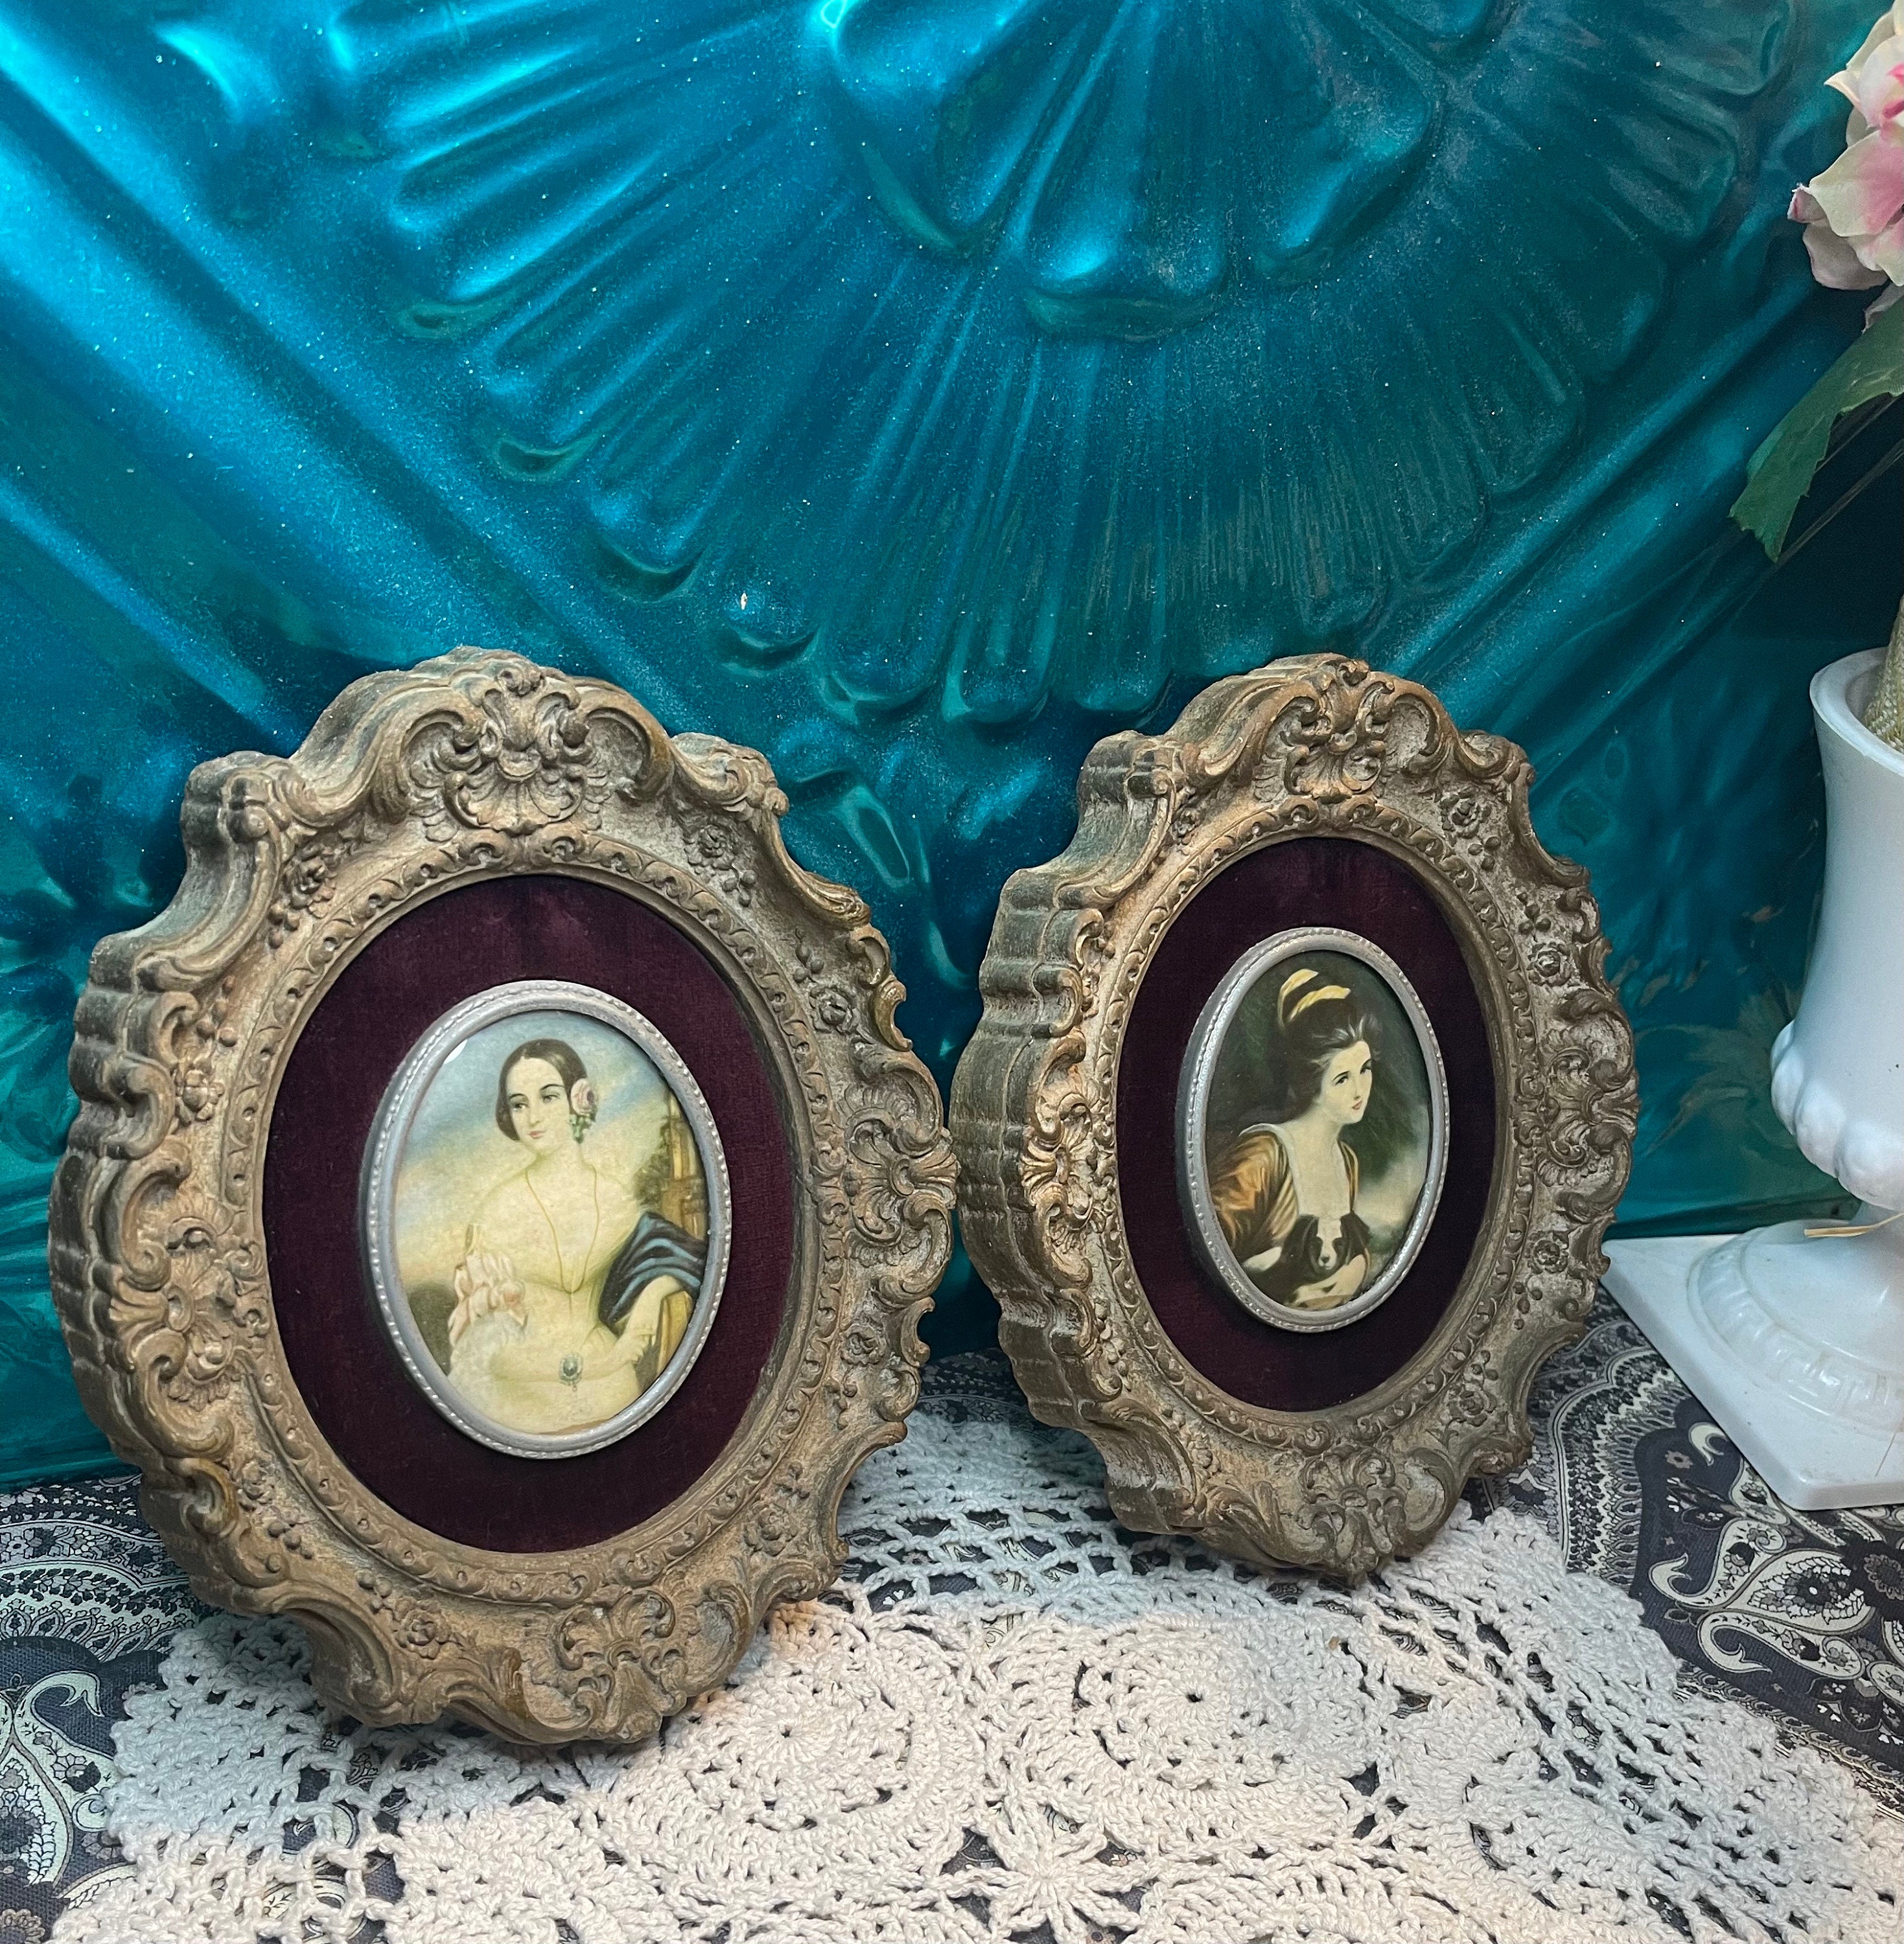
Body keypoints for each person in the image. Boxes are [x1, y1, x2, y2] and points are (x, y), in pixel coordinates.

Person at [445, 1037, 705, 1435]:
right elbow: (485, 1355)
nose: (533, 1117)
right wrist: (598, 1365)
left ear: (578, 1099)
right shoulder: (497, 1211)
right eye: (519, 1104)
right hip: (522, 1403)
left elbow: (688, 1257)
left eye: (548, 1097)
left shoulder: (616, 1197)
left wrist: (653, 1295)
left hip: (614, 1395)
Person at [1207, 966, 1380, 1312]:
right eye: (1342, 1078)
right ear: (1311, 1082)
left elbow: (1347, 1249)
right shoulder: (1264, 1155)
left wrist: (1355, 1271)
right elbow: (1210, 1257)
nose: (1360, 1090)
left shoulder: (1346, 1160)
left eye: (1365, 1070)